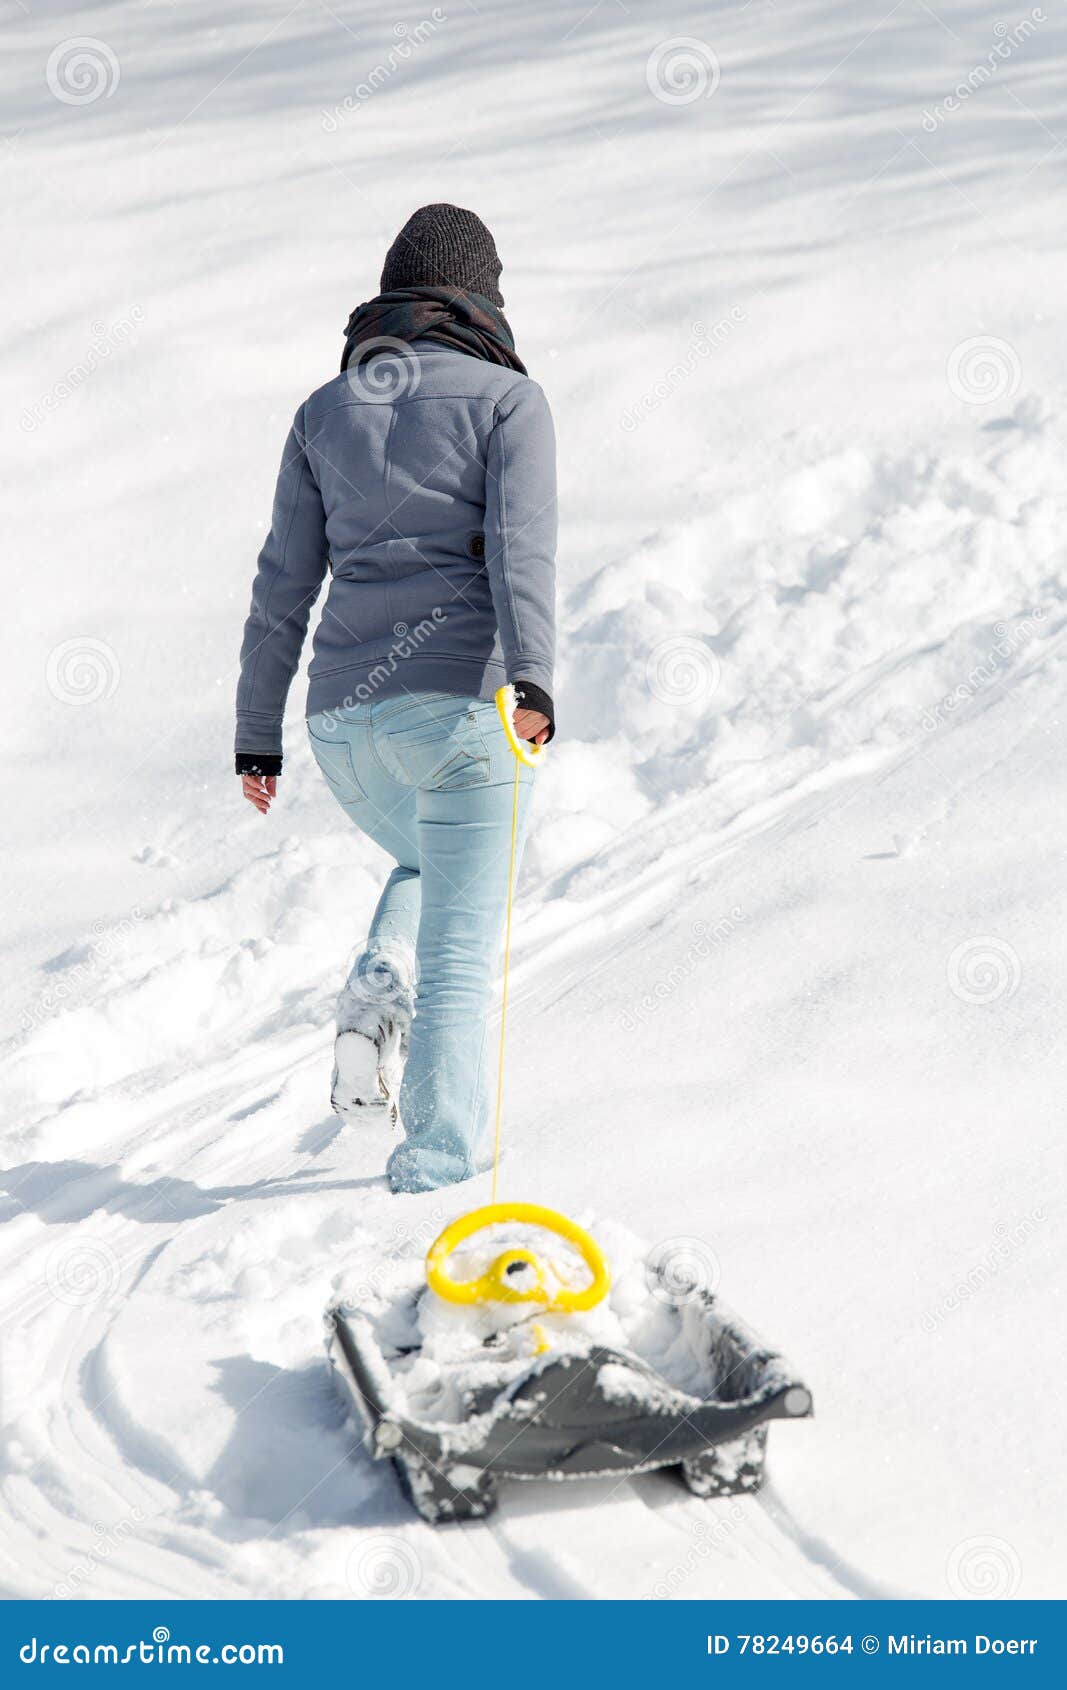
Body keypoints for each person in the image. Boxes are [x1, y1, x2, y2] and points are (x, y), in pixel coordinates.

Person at [234, 204, 557, 1195]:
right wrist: (533, 677)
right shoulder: (509, 399)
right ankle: (436, 1165)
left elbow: (280, 583)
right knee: (464, 934)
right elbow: (521, 550)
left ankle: (379, 978)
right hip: (457, 708)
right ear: (481, 298)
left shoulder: (322, 410)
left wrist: (257, 738)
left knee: (428, 859)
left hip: (341, 721)